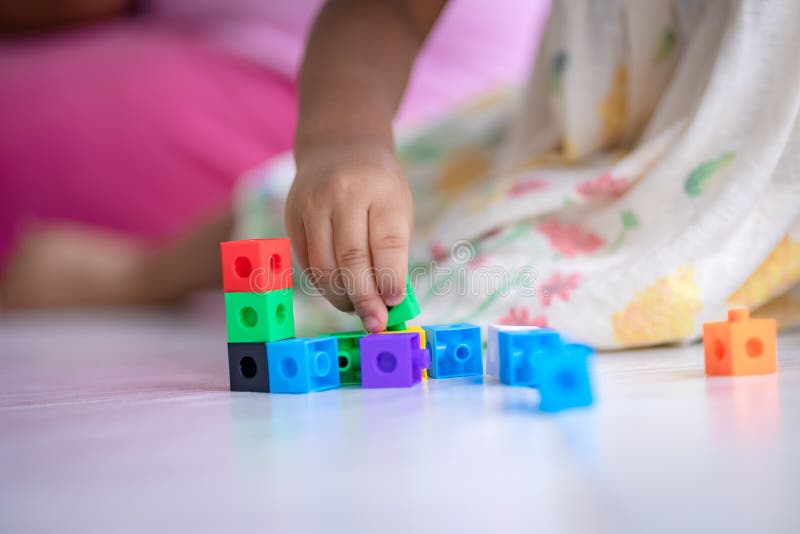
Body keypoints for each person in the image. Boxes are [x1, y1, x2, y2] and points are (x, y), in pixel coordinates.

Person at [5, 0, 800, 350]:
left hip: (762, 193)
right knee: (367, 207)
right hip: (573, 147)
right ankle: (141, 274)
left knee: (490, 293)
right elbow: (380, 8)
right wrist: (342, 142)